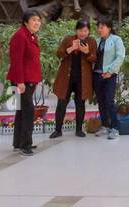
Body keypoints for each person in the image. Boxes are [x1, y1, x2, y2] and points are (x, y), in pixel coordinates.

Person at [49, 19, 97, 138]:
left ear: (89, 31)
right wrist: (70, 49)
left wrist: (86, 52)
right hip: (66, 78)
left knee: (80, 104)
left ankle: (79, 130)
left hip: (83, 79)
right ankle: (58, 130)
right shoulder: (68, 39)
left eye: (85, 30)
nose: (83, 33)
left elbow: (94, 59)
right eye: (80, 30)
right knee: (61, 103)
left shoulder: (91, 42)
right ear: (76, 30)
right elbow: (59, 53)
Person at [7, 11, 43, 155]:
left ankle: (18, 143)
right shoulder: (20, 36)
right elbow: (16, 61)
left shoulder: (31, 36)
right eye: (34, 20)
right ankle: (25, 145)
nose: (37, 23)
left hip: (29, 80)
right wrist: (20, 82)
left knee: (21, 111)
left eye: (38, 20)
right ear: (25, 22)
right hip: (21, 81)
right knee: (27, 112)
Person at [90, 16, 126, 140]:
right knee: (101, 101)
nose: (100, 30)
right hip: (96, 75)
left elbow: (120, 57)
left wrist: (110, 71)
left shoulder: (116, 40)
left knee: (109, 101)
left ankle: (115, 128)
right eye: (98, 28)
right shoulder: (96, 40)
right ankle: (105, 126)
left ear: (109, 28)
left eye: (102, 27)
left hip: (109, 75)